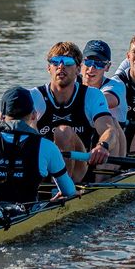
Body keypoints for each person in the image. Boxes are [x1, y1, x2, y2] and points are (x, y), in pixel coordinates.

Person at [30, 41, 123, 186]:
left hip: (80, 165)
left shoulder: (92, 95)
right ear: (49, 68)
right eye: (55, 62)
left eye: (67, 62)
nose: (61, 66)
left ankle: (62, 188)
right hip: (44, 166)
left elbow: (109, 130)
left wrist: (103, 145)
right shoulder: (35, 96)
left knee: (63, 131)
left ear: (78, 69)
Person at [0, 86, 77, 204]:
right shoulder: (46, 146)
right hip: (25, 213)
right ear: (34, 115)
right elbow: (69, 191)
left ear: (1, 116)